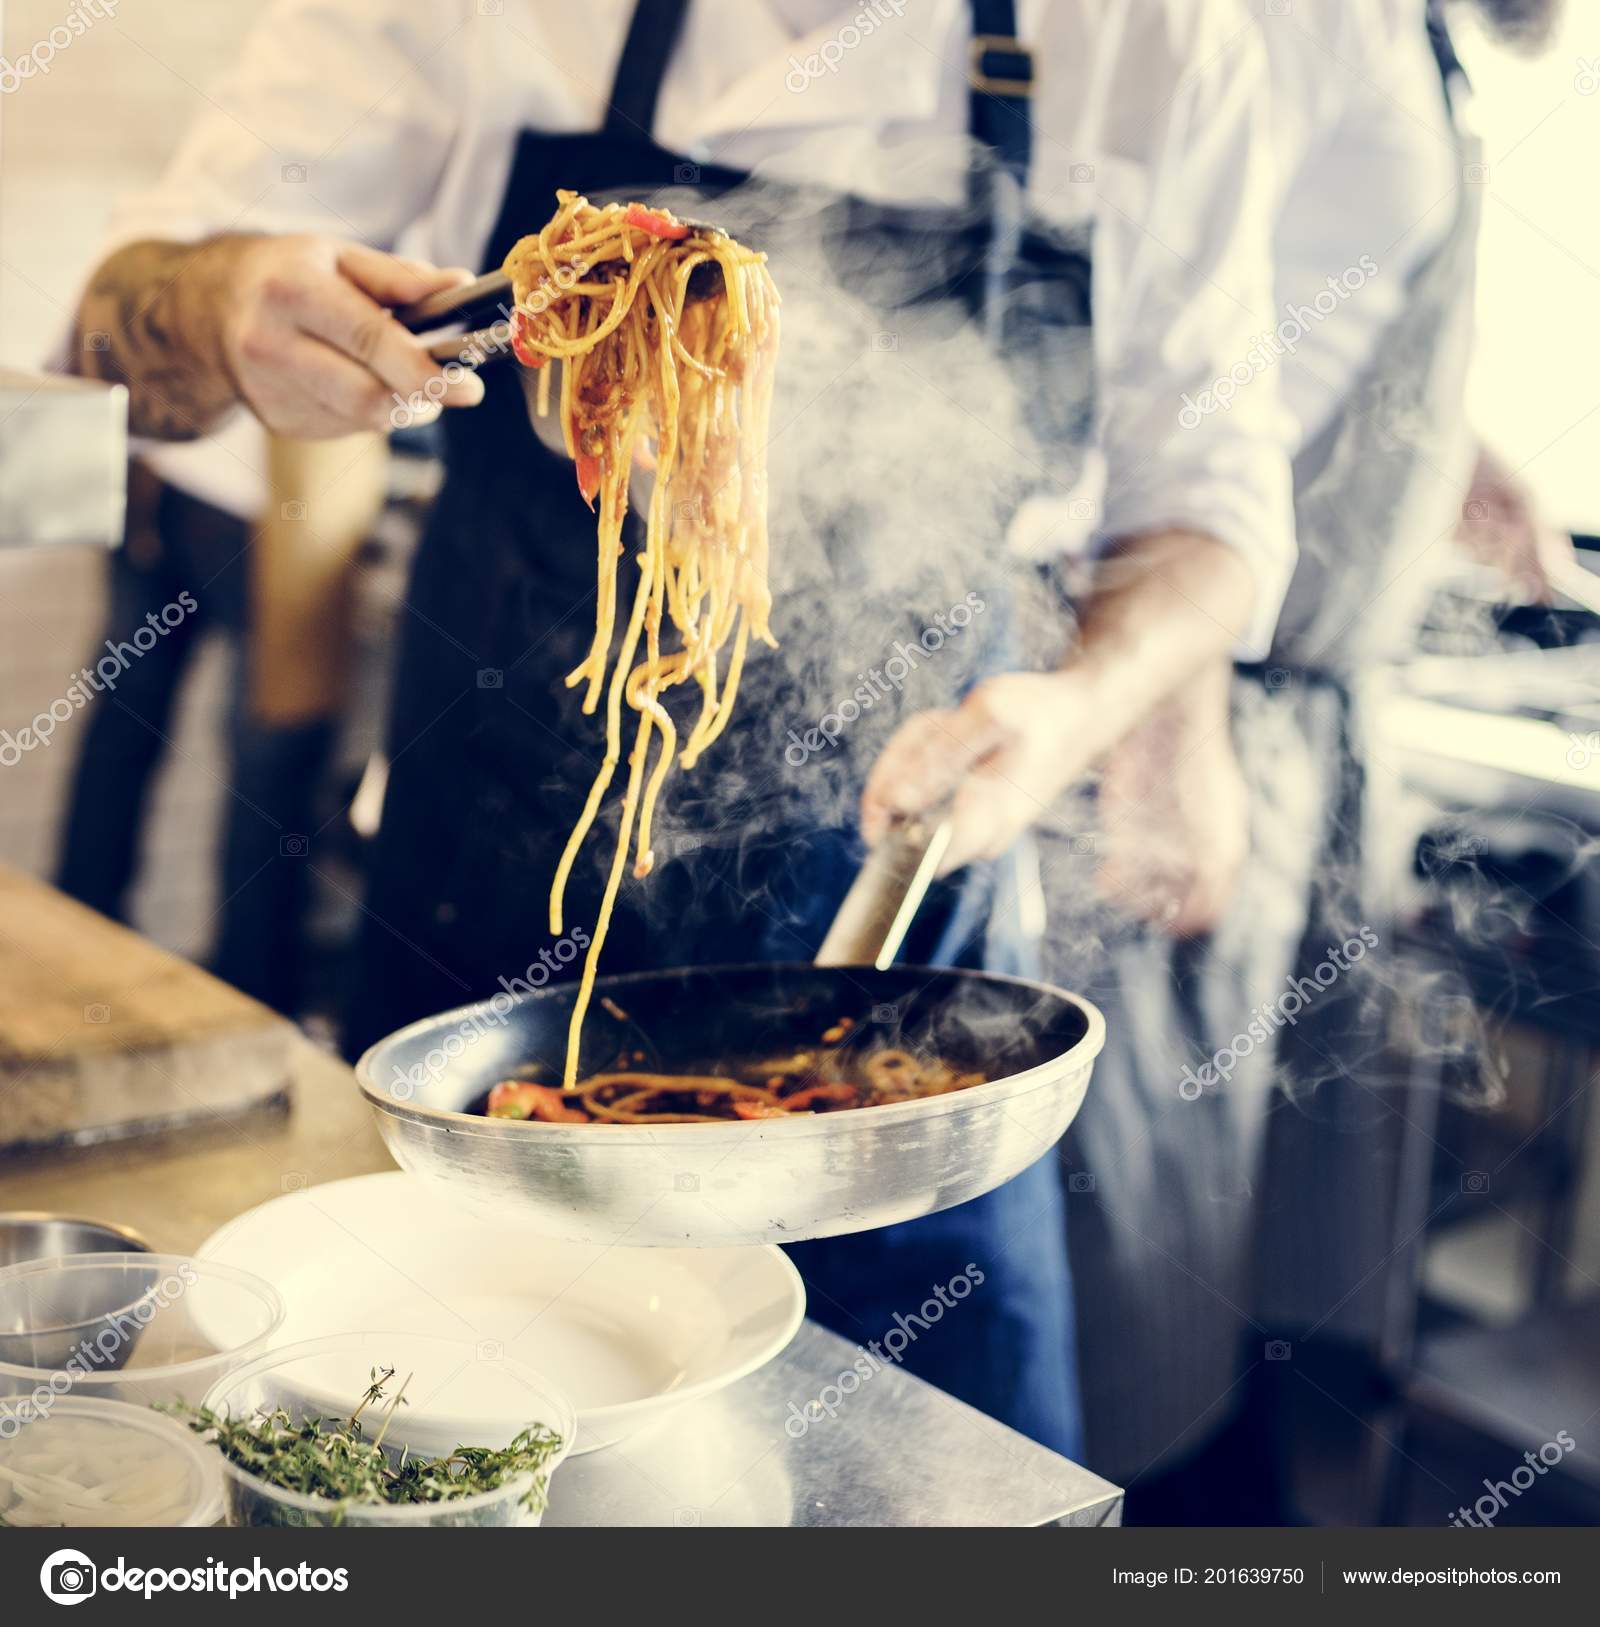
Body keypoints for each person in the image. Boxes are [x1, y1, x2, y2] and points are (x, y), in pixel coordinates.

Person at [68, 0, 1302, 1459]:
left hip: (903, 989)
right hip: (492, 953)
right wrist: (215, 303)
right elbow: (108, 330)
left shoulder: (1159, 36)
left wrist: (1074, 710)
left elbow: (1207, 511)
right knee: (445, 1471)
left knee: (950, 1491)